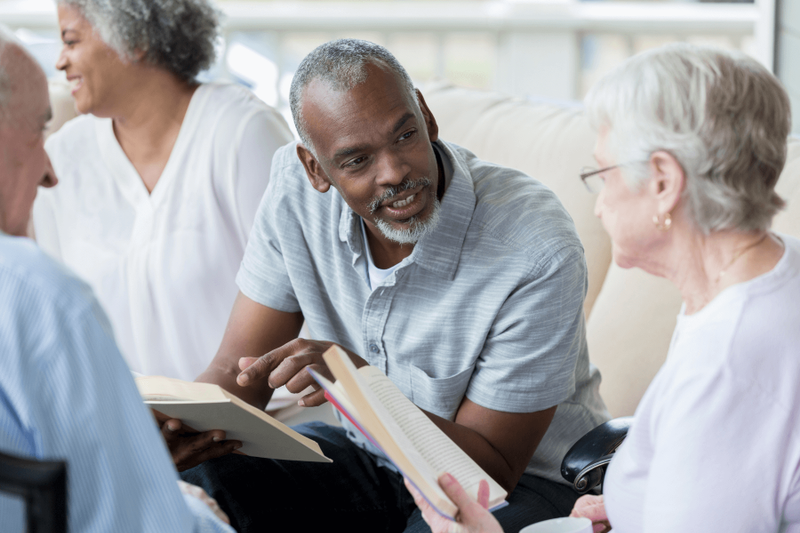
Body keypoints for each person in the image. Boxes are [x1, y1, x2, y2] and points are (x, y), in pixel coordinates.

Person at [177, 39, 609, 533]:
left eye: (404, 136)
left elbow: (490, 470)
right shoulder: (295, 195)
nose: (396, 173)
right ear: (315, 168)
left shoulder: (532, 243)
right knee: (198, 478)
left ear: (426, 116)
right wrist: (168, 435)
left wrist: (361, 388)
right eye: (357, 161)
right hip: (378, 462)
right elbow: (238, 371)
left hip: (522, 485)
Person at [409, 43, 800, 533]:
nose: (597, 206)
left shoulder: (728, 366)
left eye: (602, 174)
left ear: (663, 182)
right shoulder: (770, 271)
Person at [0, 28, 234, 533]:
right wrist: (193, 510)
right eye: (39, 131)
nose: (50, 173)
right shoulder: (40, 298)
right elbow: (135, 522)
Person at [32, 0, 294, 386]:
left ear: (133, 39)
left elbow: (292, 293)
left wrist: (195, 422)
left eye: (71, 41)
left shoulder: (242, 132)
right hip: (133, 428)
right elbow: (54, 322)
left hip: (263, 423)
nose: (59, 62)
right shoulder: (62, 156)